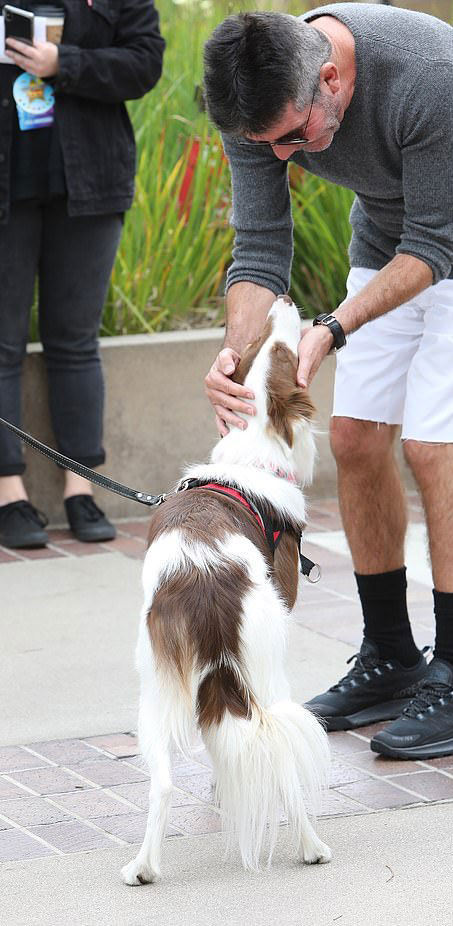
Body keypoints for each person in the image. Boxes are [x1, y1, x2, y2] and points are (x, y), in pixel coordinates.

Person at [202, 3, 453, 759]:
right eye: (271, 147)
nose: (288, 158)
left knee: (430, 444)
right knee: (357, 437)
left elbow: (433, 247)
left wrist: (330, 329)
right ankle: (392, 656)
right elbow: (261, 247)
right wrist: (235, 356)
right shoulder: (257, 107)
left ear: (330, 77)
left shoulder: (423, 73)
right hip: (391, 234)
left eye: (297, 137)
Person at [0, 1, 165, 548]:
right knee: (2, 344)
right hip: (8, 183)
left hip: (89, 181)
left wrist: (61, 64)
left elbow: (144, 62)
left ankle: (81, 488)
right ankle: (10, 494)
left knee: (75, 340)